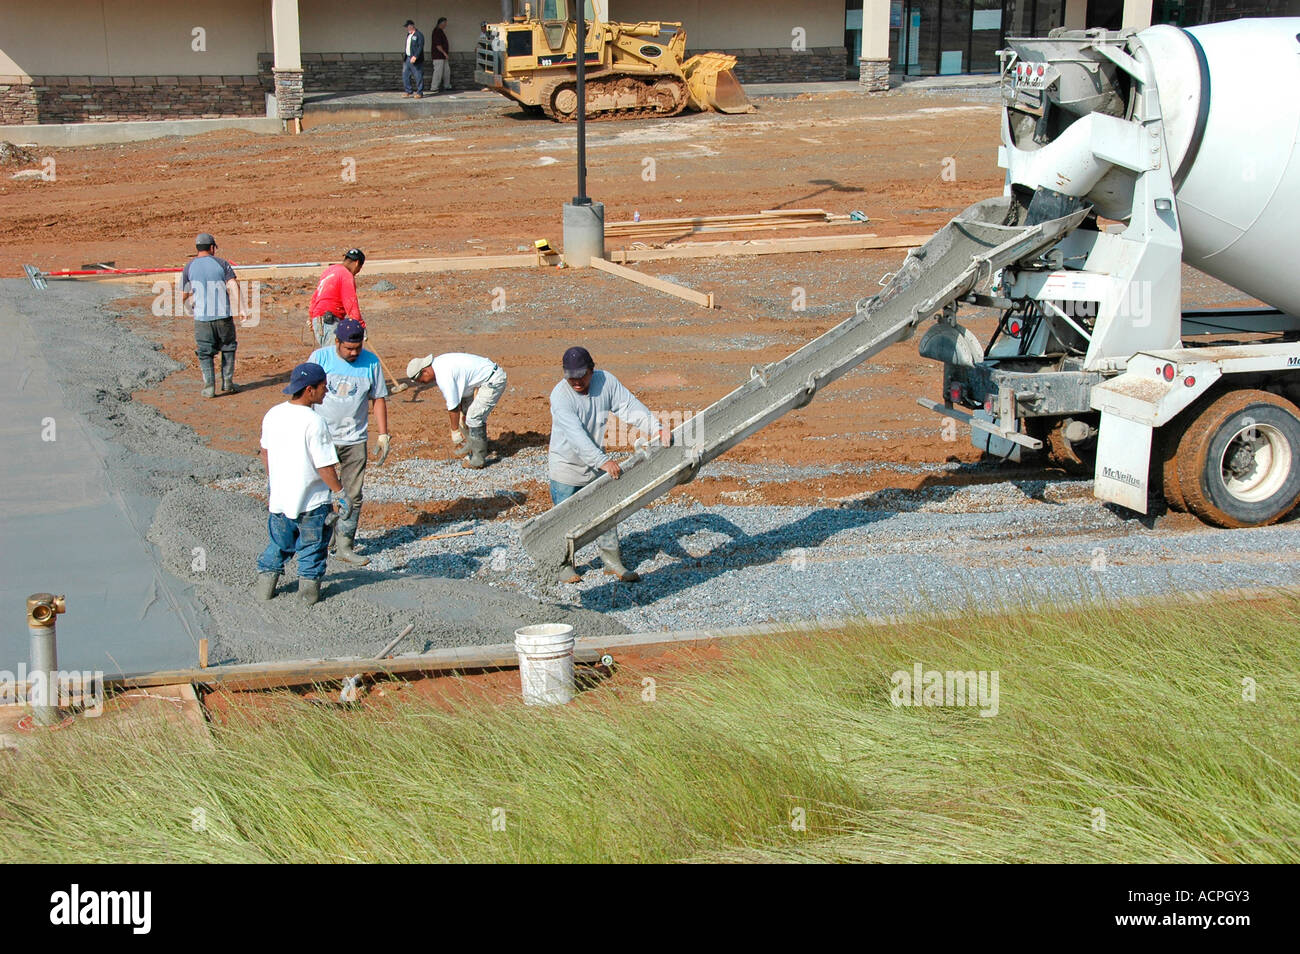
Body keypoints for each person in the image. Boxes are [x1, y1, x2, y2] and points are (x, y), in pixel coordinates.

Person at [547, 346, 671, 583]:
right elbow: (575, 436)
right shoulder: (560, 396)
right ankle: (563, 565)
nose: (576, 382)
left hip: (595, 464)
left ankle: (612, 561)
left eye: (581, 376)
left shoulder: (606, 382)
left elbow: (629, 407)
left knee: (606, 513)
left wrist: (657, 428)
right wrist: (602, 461)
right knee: (563, 520)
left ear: (592, 370)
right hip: (566, 466)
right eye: (570, 377)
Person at [256, 362, 350, 606]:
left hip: (279, 501)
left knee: (278, 546)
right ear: (309, 390)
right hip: (311, 503)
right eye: (323, 387)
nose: (326, 392)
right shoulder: (314, 422)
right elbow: (324, 466)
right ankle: (307, 601)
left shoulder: (273, 414)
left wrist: (274, 481)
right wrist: (340, 492)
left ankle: (264, 592)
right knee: (312, 550)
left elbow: (265, 452)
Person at [308, 318, 390, 566]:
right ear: (336, 342)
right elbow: (305, 395)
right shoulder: (320, 359)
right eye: (348, 348)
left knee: (352, 495)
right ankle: (320, 541)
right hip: (322, 438)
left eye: (358, 348)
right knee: (319, 491)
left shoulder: (371, 363)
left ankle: (345, 545)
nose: (354, 353)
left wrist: (383, 434)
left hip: (355, 440)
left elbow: (378, 399)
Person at [406, 352, 507, 469]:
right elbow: (458, 397)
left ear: (425, 372)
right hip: (478, 380)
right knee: (467, 412)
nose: (423, 383)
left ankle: (478, 459)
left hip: (493, 380)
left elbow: (453, 406)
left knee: (474, 417)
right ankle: (473, 445)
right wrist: (461, 416)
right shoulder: (439, 364)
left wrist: (454, 430)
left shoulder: (443, 375)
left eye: (422, 381)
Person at [182, 232, 243, 398]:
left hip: (202, 319)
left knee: (204, 352)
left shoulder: (189, 267)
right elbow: (233, 285)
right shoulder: (222, 263)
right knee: (228, 348)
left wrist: (190, 305)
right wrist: (242, 308)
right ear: (211, 248)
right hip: (224, 317)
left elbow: (184, 294)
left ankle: (209, 387)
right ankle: (228, 383)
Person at [309, 248, 366, 347]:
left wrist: (311, 318)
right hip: (329, 320)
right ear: (357, 263)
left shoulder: (329, 271)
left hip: (318, 320)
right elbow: (351, 303)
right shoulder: (346, 275)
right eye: (359, 268)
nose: (357, 272)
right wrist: (360, 325)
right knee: (335, 355)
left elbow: (315, 297)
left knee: (333, 353)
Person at [402, 19, 425, 98]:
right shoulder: (408, 35)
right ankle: (408, 91)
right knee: (405, 74)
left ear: (411, 26)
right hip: (407, 58)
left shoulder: (419, 35)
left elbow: (420, 47)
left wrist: (415, 56)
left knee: (418, 75)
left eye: (407, 26)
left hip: (415, 59)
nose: (407, 28)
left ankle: (419, 92)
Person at [429, 17, 451, 92]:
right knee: (438, 72)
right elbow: (438, 45)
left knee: (446, 71)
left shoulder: (440, 31)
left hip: (442, 56)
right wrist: (444, 53)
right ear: (441, 23)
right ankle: (434, 87)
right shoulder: (437, 32)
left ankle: (447, 85)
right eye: (445, 23)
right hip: (438, 56)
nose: (445, 25)